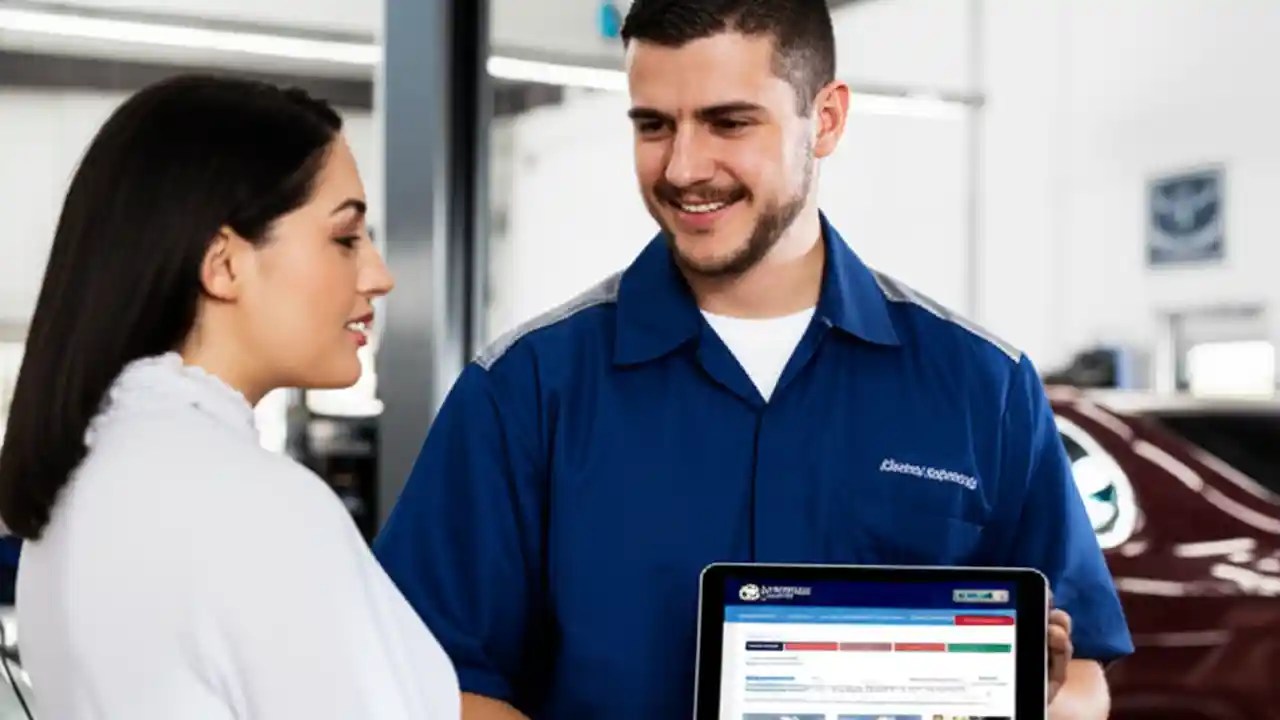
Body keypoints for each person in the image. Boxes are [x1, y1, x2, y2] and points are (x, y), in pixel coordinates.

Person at [374, 1, 1133, 718]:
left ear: (825, 119)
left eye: (729, 122)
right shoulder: (526, 391)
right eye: (653, 125)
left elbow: (1080, 682)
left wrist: (1029, 696)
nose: (683, 168)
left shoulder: (983, 387)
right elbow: (427, 681)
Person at [0, 75, 459, 719]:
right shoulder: (265, 509)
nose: (379, 276)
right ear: (223, 264)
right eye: (345, 238)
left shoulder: (70, 501)